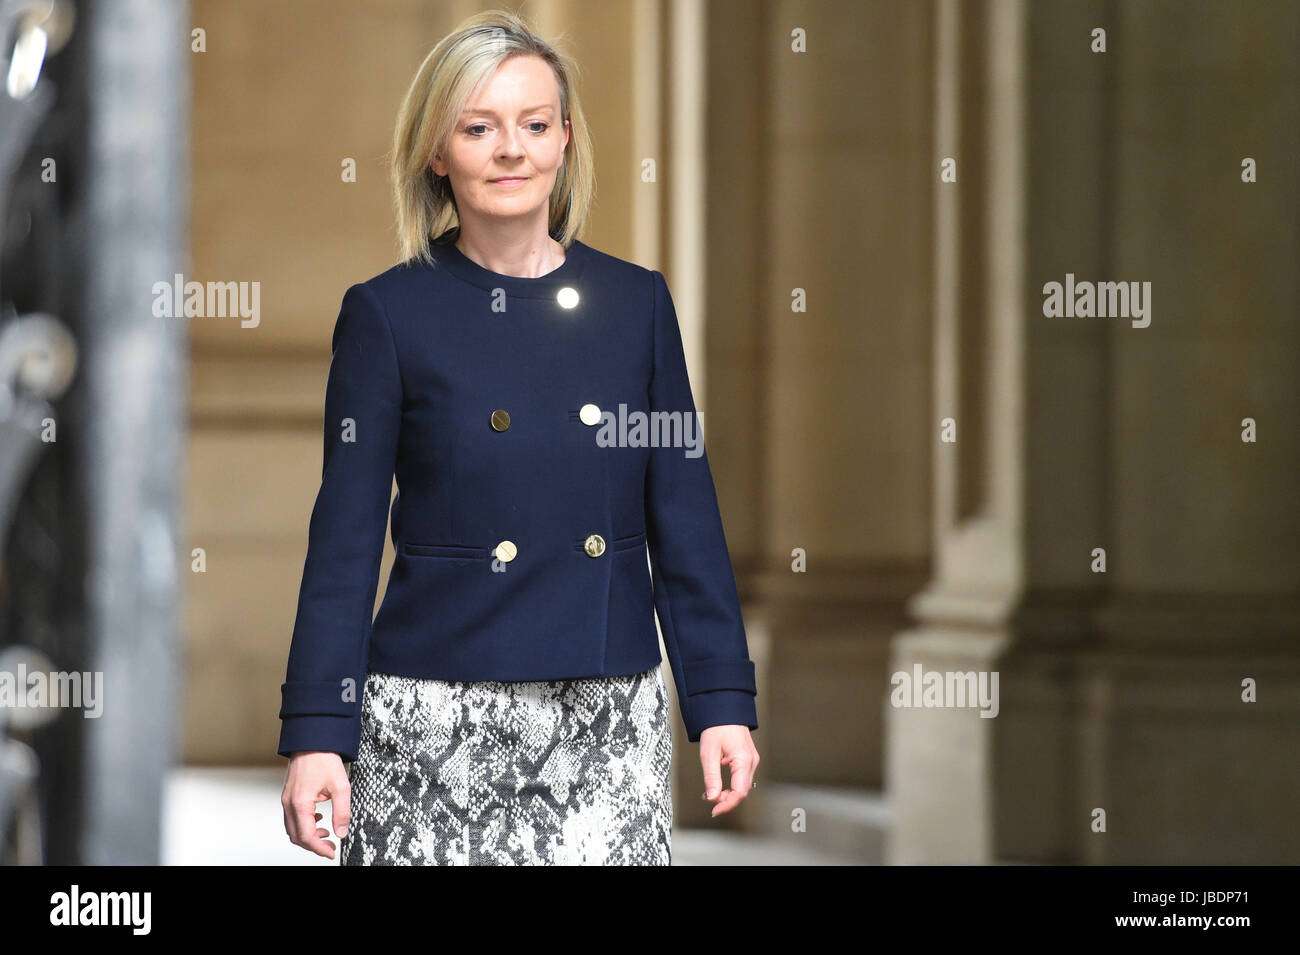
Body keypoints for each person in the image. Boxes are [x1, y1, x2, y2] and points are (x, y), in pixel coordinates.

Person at [278, 9, 759, 866]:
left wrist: (720, 699)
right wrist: (318, 731)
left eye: (535, 124)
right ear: (437, 150)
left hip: (606, 717)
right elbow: (344, 544)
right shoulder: (388, 314)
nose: (512, 149)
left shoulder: (635, 306)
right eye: (479, 127)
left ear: (565, 140)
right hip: (432, 721)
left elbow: (684, 516)